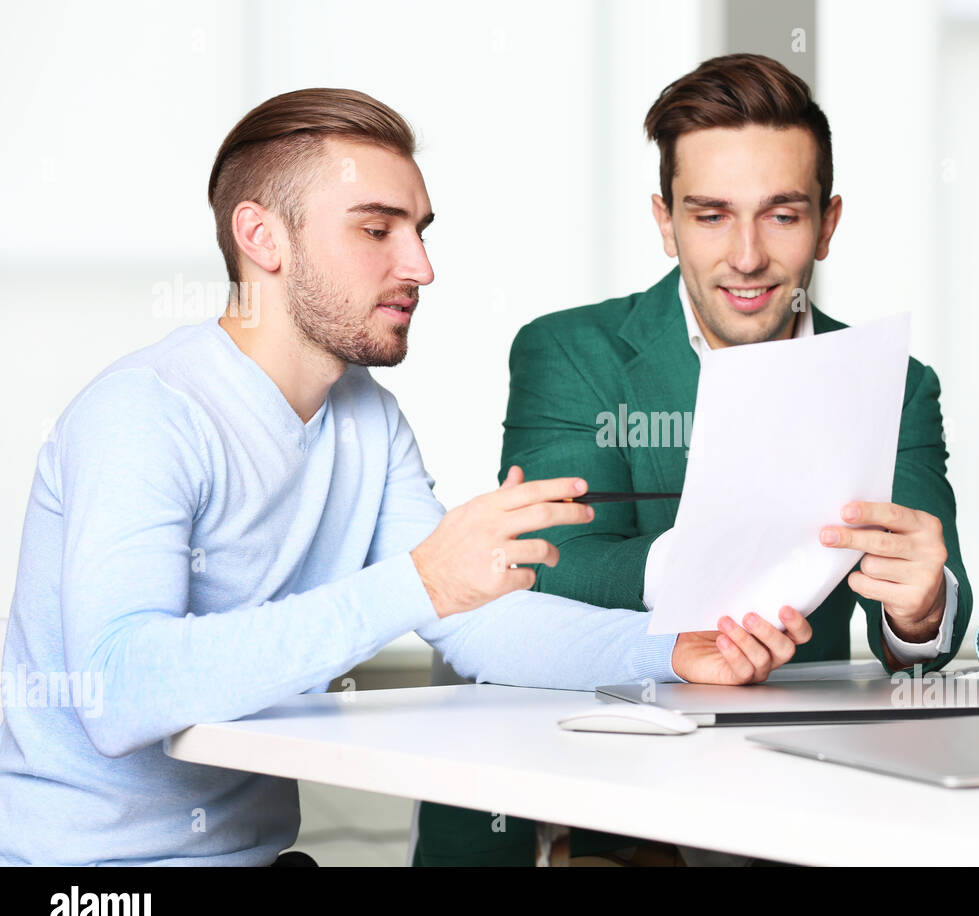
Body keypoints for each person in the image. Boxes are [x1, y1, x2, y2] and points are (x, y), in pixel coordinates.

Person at [0, 88, 811, 866]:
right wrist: (417, 581)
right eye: (376, 230)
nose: (420, 266)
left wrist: (675, 652)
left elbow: (477, 624)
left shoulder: (367, 418)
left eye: (419, 230)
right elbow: (116, 691)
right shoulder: (146, 413)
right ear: (262, 238)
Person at [415, 53, 973, 865]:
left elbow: (936, 616)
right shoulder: (569, 352)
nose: (745, 257)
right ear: (664, 220)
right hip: (584, 779)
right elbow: (543, 559)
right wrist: (710, 566)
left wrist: (918, 611)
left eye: (782, 215)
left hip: (783, 789)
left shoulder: (896, 382)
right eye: (711, 215)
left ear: (829, 220)